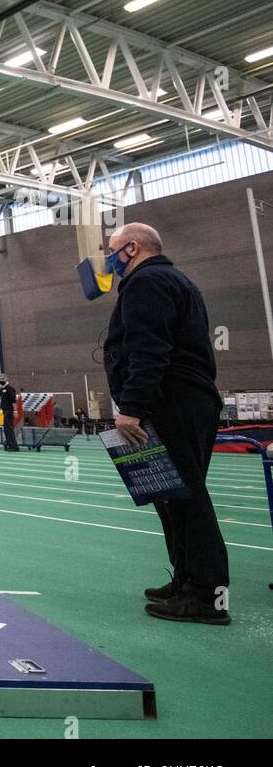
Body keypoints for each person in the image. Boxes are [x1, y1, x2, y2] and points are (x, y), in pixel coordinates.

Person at [103, 222, 229, 625]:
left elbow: (149, 350)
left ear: (133, 248)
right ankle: (187, 581)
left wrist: (132, 408)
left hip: (172, 400)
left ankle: (208, 596)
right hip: (183, 399)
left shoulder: (148, 283)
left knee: (187, 499)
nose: (108, 259)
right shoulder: (173, 280)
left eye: (112, 250)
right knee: (171, 496)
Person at [0, 374, 19, 451]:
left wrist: (15, 411)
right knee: (6, 429)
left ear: (6, 378)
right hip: (4, 411)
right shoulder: (1, 389)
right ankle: (9, 444)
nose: (1, 380)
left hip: (9, 411)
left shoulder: (10, 389)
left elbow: (14, 401)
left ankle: (14, 446)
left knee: (10, 429)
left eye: (2, 378)